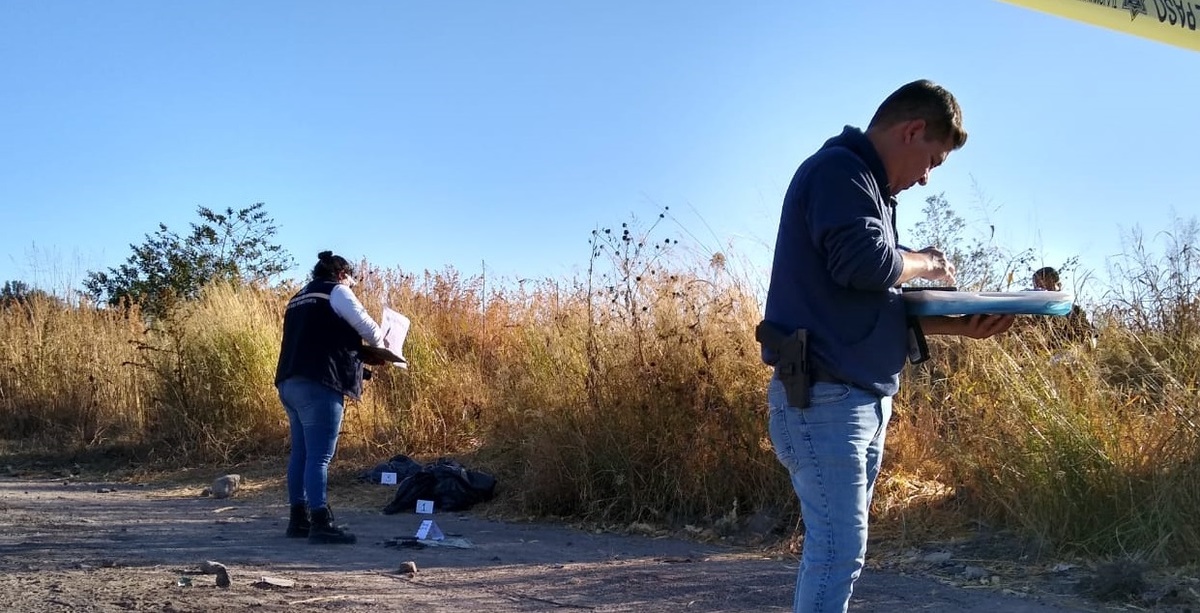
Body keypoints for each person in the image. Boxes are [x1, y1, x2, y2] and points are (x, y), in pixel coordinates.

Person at [758, 79, 1015, 613]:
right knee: (836, 555)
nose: (926, 178)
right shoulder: (839, 172)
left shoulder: (869, 188)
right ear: (912, 130)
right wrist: (926, 261)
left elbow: (865, 304)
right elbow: (867, 264)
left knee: (837, 555)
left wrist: (958, 326)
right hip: (824, 399)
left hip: (855, 400)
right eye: (933, 161)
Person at [275, 251, 385, 545]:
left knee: (300, 453)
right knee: (320, 456)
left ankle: (298, 519)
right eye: (351, 279)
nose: (352, 284)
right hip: (318, 383)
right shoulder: (338, 291)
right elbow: (371, 332)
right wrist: (384, 348)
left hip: (288, 381)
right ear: (341, 275)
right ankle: (320, 521)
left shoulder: (298, 297)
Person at [1030, 266, 1098, 349]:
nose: (1042, 291)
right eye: (1037, 288)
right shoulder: (1032, 314)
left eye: (1046, 286)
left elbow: (1091, 338)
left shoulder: (1073, 311)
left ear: (1058, 286)